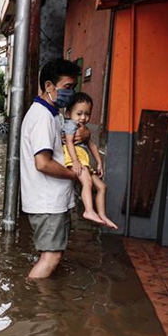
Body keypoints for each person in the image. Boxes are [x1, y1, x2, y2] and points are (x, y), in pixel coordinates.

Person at [20, 59, 89, 279]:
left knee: (49, 254)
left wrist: (84, 134)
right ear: (49, 85)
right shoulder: (42, 117)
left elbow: (67, 139)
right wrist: (76, 175)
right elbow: (43, 163)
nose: (71, 93)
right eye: (67, 87)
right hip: (47, 201)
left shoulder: (52, 114)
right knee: (51, 257)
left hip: (50, 199)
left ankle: (39, 296)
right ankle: (31, 297)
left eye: (73, 87)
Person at [62, 92, 118, 230]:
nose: (83, 117)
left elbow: (92, 145)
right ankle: (88, 210)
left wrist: (99, 162)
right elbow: (69, 142)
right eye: (79, 113)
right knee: (87, 183)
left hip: (83, 160)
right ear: (68, 113)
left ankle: (102, 215)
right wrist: (75, 161)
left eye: (87, 114)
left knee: (102, 187)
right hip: (75, 158)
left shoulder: (83, 129)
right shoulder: (70, 125)